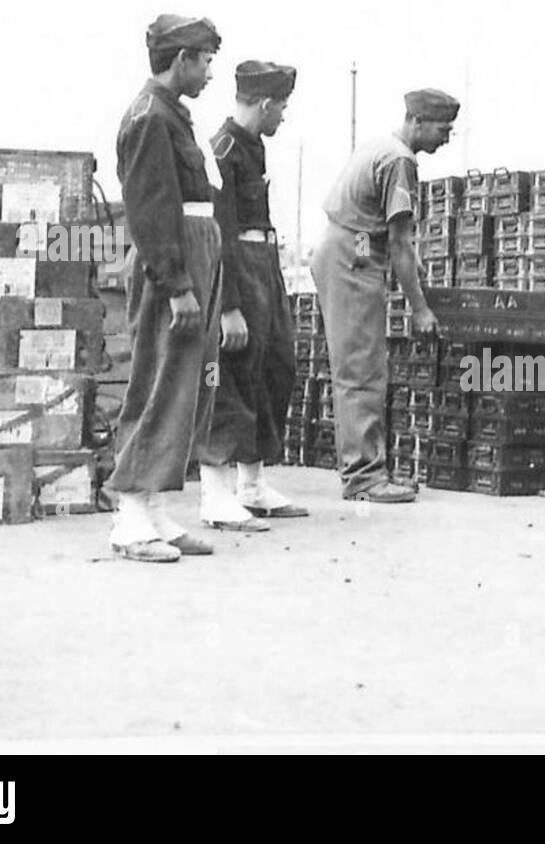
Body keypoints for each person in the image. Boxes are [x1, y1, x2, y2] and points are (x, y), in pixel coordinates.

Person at [106, 14, 224, 562]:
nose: (207, 73)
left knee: (183, 385)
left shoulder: (170, 113)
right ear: (182, 60)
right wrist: (177, 285)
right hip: (170, 260)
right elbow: (150, 210)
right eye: (204, 61)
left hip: (190, 251)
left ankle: (152, 511)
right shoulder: (152, 117)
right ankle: (130, 519)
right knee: (157, 381)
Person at [310, 88, 458, 502]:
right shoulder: (400, 159)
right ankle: (363, 477)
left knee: (360, 365)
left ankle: (365, 469)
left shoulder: (381, 145)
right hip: (351, 254)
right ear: (417, 121)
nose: (446, 137)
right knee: (361, 370)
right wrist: (421, 308)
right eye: (442, 129)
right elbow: (399, 242)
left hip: (348, 247)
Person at [198, 60, 307, 529]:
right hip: (236, 266)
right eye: (281, 106)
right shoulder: (223, 149)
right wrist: (229, 307)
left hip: (264, 264)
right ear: (264, 104)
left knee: (273, 369)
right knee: (230, 374)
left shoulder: (252, 147)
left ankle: (252, 484)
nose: (283, 115)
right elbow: (219, 229)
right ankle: (216, 494)